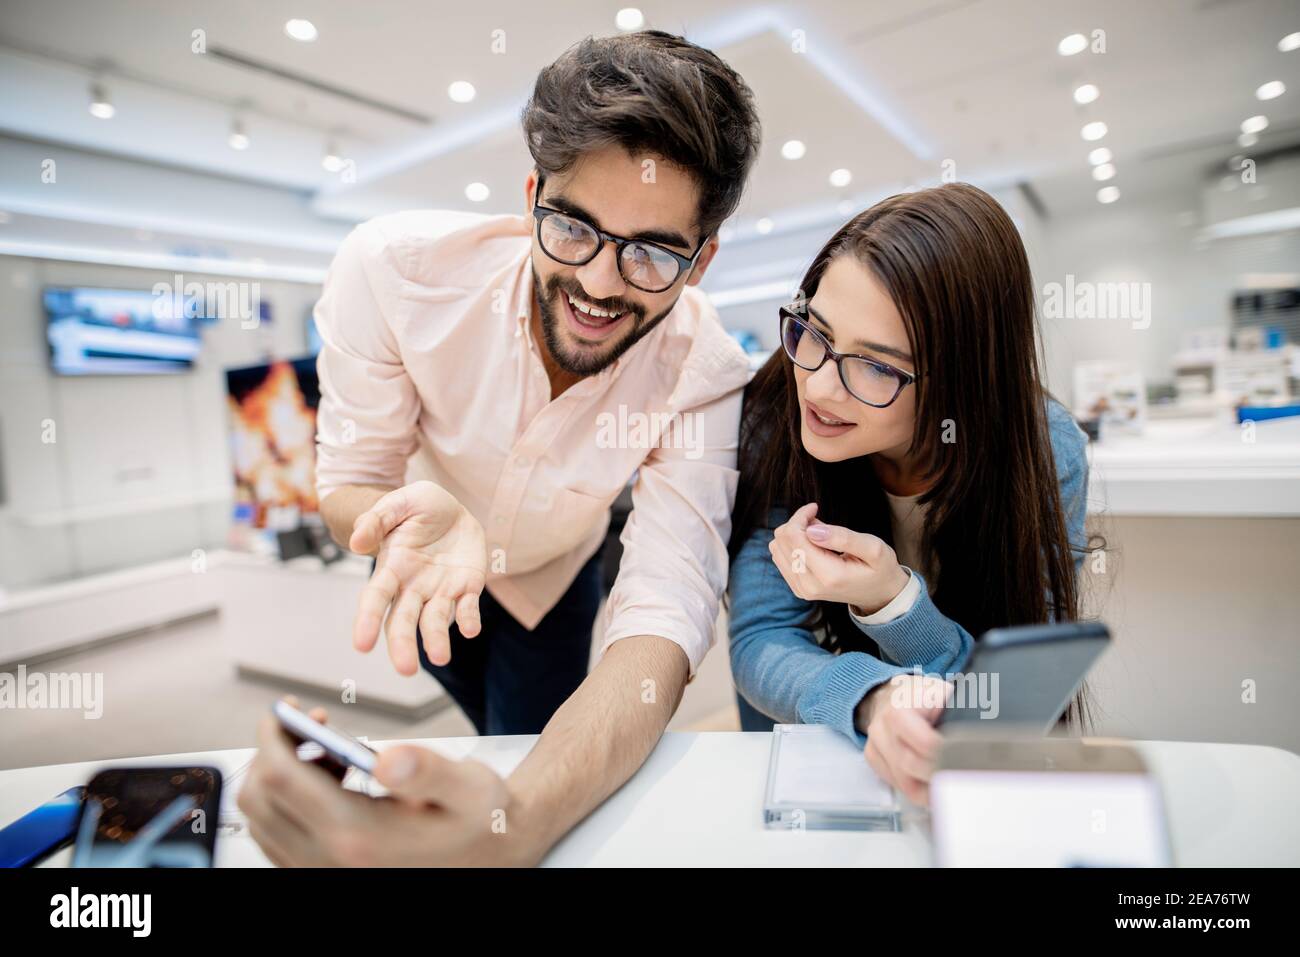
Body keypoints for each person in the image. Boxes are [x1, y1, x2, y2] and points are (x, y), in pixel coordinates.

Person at [236, 30, 761, 866]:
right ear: (530, 197)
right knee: (503, 738)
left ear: (700, 262)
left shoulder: (703, 371)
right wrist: (397, 520)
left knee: (533, 748)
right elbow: (352, 480)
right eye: (573, 228)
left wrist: (511, 826)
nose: (597, 283)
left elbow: (666, 610)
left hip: (554, 580)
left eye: (653, 252)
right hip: (415, 542)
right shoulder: (394, 272)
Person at [727, 183, 1090, 808]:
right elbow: (761, 641)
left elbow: (1010, 692)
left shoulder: (1042, 452)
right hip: (807, 772)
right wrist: (875, 697)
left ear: (962, 381)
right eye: (814, 331)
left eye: (876, 366)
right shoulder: (775, 411)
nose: (816, 386)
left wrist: (893, 603)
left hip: (952, 780)